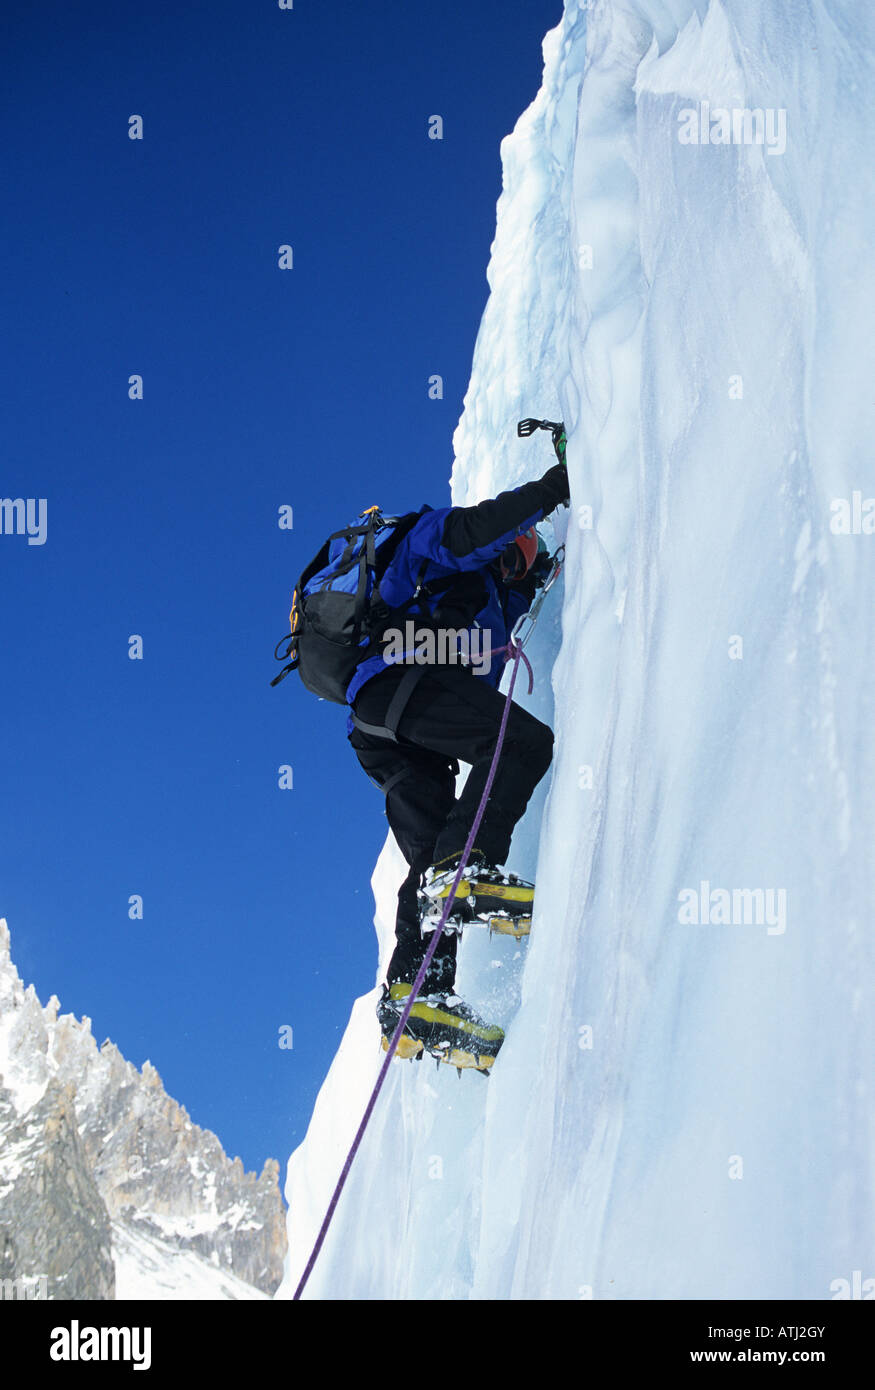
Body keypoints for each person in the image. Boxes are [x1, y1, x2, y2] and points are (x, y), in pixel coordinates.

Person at [346, 453, 570, 1072]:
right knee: (522, 743)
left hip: (386, 730)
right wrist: (554, 488)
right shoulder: (441, 546)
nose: (526, 557)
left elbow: (516, 593)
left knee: (430, 856)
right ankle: (468, 868)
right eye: (523, 548)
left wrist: (540, 572)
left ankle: (415, 996)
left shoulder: (489, 601)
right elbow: (478, 531)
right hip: (401, 685)